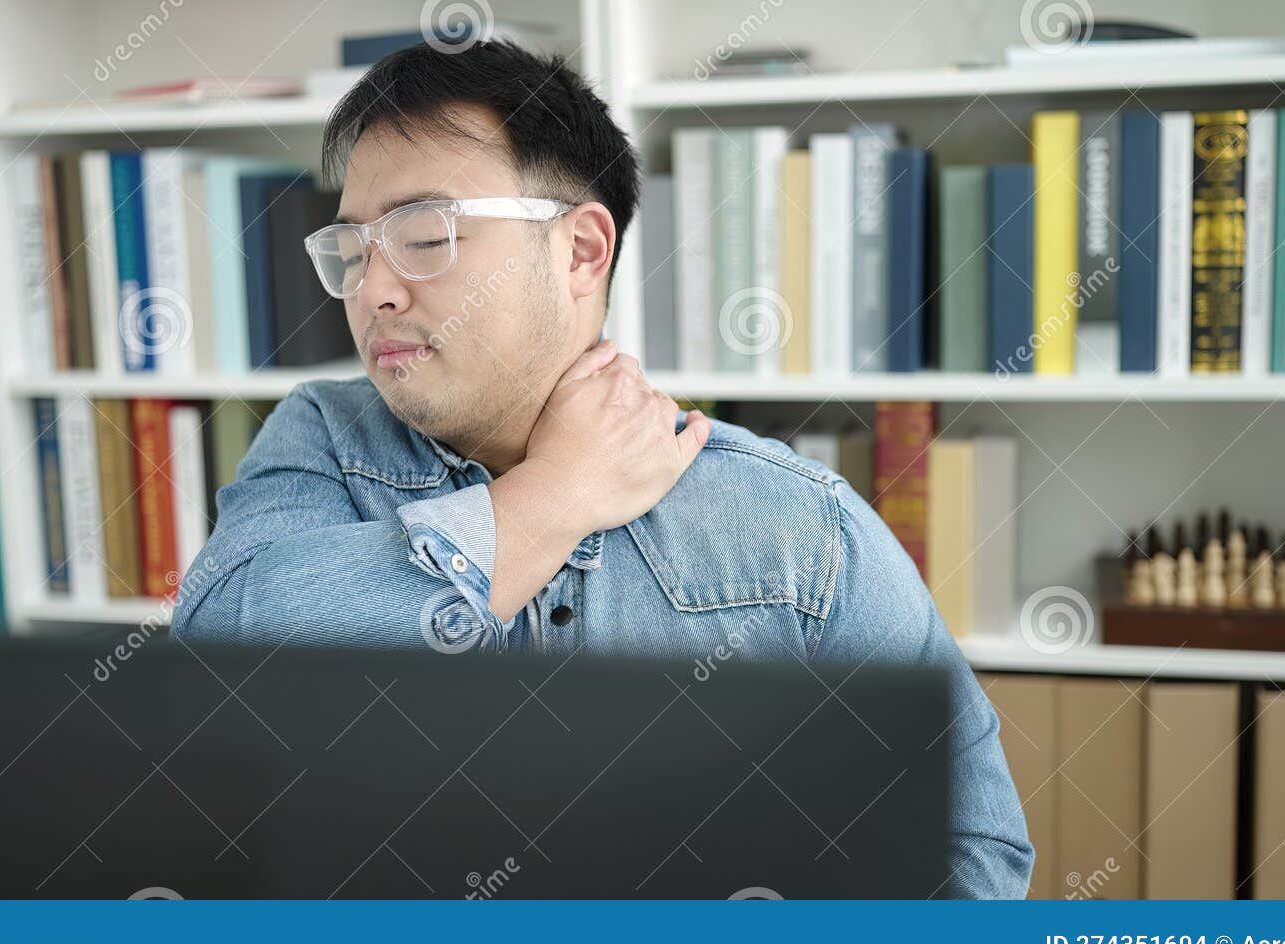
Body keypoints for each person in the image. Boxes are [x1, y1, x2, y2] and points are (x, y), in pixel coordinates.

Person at [171, 40, 1031, 898]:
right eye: (354, 251)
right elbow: (215, 683)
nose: (373, 293)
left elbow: (972, 854)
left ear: (581, 251)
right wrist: (556, 495)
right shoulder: (323, 440)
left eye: (425, 236)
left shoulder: (798, 530)